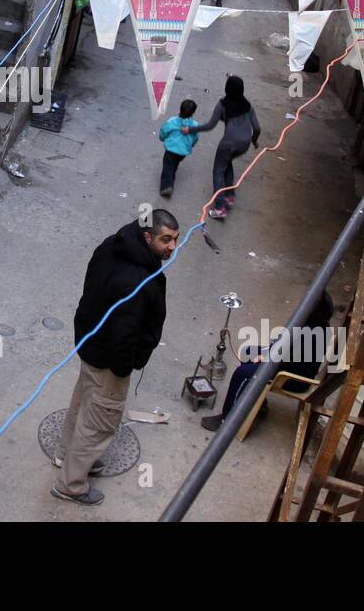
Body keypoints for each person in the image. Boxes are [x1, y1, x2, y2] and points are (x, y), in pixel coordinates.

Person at [53, 210, 178, 505]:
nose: (172, 247)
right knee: (99, 421)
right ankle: (71, 485)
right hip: (109, 360)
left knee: (83, 401)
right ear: (147, 237)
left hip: (89, 343)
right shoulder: (135, 281)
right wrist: (125, 368)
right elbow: (124, 337)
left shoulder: (114, 243)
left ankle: (65, 455)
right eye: (166, 240)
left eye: (175, 238)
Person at [202, 295, 334, 432]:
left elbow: (282, 354)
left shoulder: (310, 334)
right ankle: (257, 402)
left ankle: (227, 421)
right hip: (288, 363)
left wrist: (265, 356)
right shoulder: (319, 325)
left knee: (242, 374)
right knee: (248, 352)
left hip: (292, 378)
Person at [183, 75, 261, 220]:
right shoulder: (248, 105)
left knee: (218, 171)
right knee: (227, 162)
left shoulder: (222, 105)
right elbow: (257, 128)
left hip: (228, 143)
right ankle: (230, 196)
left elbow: (209, 126)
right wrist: (254, 141)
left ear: (227, 89)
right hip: (244, 144)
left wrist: (190, 129)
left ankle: (220, 207)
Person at [158, 99, 199, 198]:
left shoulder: (172, 121)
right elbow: (195, 138)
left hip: (171, 149)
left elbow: (164, 131)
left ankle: (166, 187)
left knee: (168, 166)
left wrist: (162, 138)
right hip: (183, 152)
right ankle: (171, 177)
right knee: (174, 164)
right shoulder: (195, 125)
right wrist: (191, 145)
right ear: (193, 113)